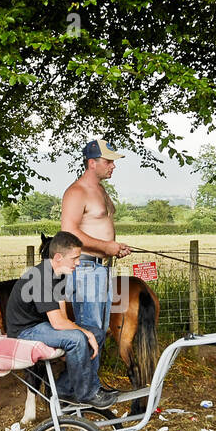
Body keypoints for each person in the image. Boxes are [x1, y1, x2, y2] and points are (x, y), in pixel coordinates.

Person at [5, 231, 118, 408]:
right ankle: (86, 393)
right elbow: (58, 323)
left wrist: (88, 334)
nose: (78, 263)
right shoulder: (41, 277)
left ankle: (64, 389)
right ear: (58, 257)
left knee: (97, 333)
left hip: (44, 326)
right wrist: (83, 334)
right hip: (25, 331)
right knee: (77, 338)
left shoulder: (61, 273)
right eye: (75, 258)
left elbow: (62, 315)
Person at [60, 139, 133, 389]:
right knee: (90, 331)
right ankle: (76, 388)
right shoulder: (76, 192)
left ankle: (86, 385)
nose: (113, 166)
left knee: (100, 332)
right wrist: (106, 247)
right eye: (108, 161)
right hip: (85, 270)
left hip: (101, 268)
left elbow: (100, 230)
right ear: (92, 163)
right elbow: (69, 232)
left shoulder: (101, 190)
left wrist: (114, 249)